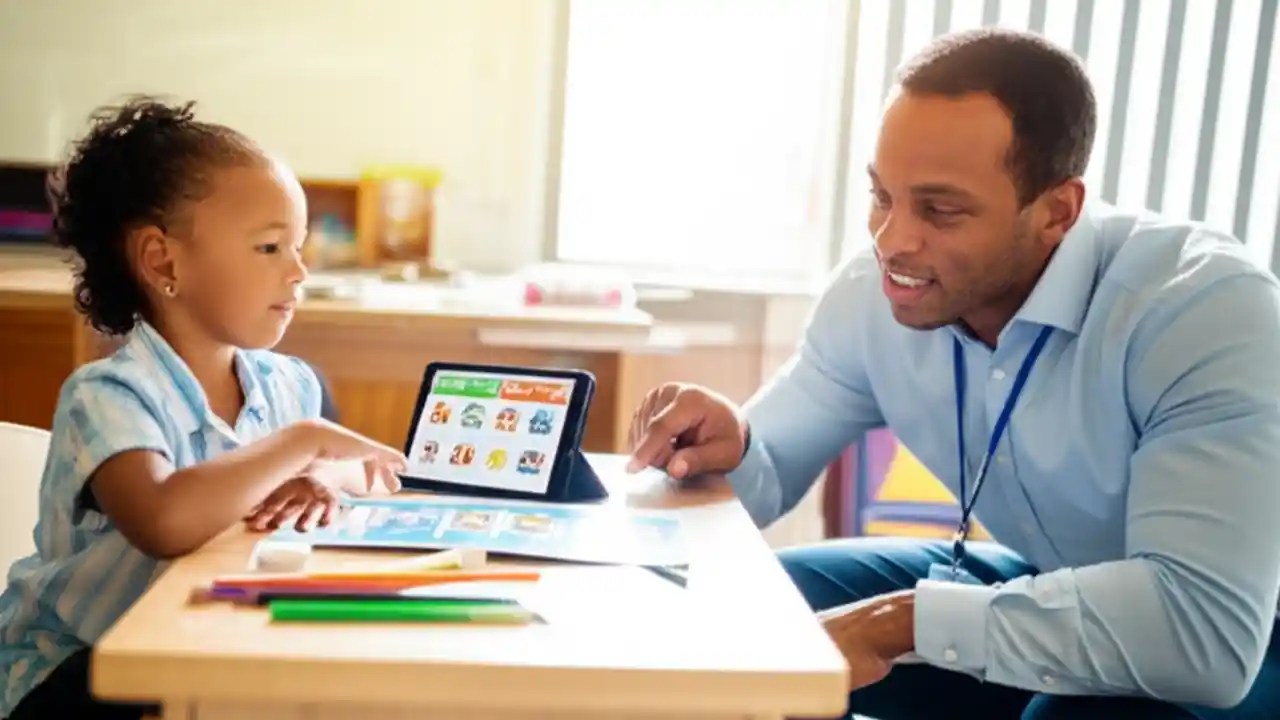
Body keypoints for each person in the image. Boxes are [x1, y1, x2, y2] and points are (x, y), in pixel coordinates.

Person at [627, 28, 1280, 720]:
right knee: (760, 609)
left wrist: (900, 622)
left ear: (1057, 210)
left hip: (1246, 637)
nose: (891, 240)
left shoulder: (1203, 310)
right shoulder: (873, 296)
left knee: (1070, 712)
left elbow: (1204, 635)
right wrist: (732, 443)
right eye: (882, 196)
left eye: (940, 210)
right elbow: (766, 468)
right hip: (1047, 580)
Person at [0, 97, 407, 719]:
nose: (299, 271)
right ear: (164, 261)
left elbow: (366, 472)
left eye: (298, 246)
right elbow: (164, 520)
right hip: (81, 674)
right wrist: (300, 445)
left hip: (203, 647)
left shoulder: (289, 385)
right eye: (270, 248)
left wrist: (324, 475)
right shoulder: (108, 395)